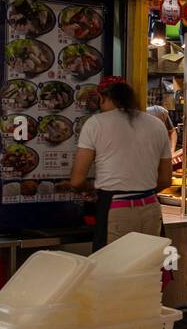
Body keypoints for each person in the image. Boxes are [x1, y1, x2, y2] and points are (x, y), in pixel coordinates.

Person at [70, 81, 172, 251]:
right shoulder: (156, 124)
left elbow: (76, 181)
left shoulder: (96, 123)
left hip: (116, 207)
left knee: (114, 271)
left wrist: (91, 189)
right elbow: (165, 180)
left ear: (102, 98)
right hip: (150, 206)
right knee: (146, 269)